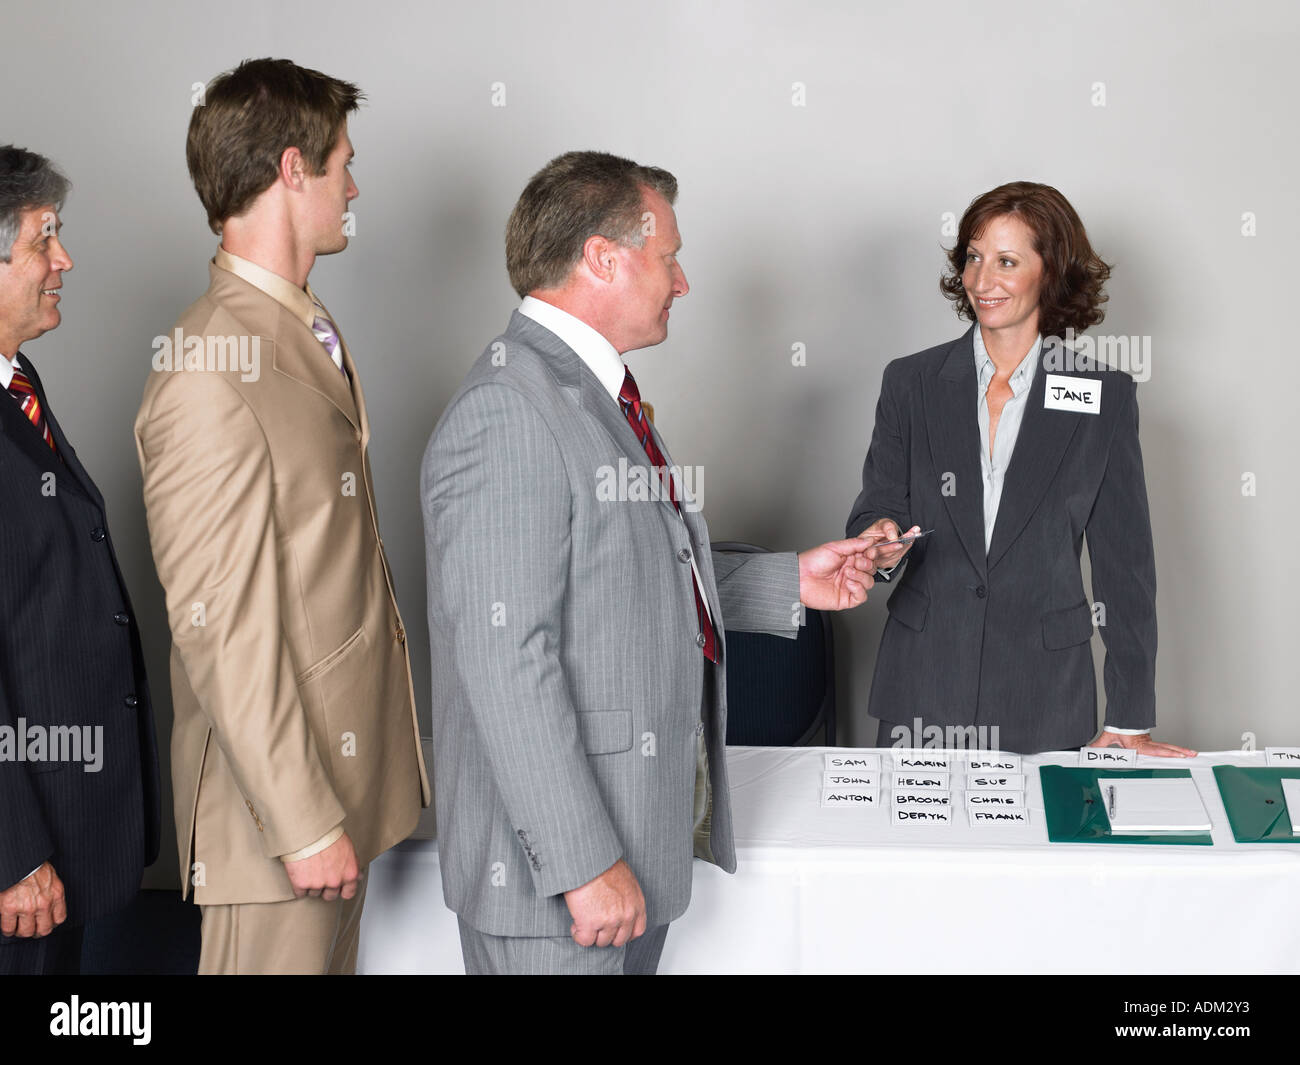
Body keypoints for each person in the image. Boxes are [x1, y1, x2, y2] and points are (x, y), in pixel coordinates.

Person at [421, 150, 877, 975]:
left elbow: (627, 572)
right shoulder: (508, 410)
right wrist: (584, 864)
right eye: (668, 256)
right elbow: (502, 658)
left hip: (627, 846)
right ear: (604, 257)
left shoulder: (594, 393)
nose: (684, 280)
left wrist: (791, 579)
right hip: (559, 885)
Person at [134, 58, 428, 975]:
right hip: (274, 827)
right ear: (292, 169)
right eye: (343, 161)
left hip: (338, 791)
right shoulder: (205, 369)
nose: (355, 184)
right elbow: (223, 633)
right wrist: (303, 823)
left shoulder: (297, 324)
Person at [846, 180, 1194, 757]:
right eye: (974, 258)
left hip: (1045, 693)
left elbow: (1124, 565)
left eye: (1007, 261)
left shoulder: (1102, 396)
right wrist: (878, 537)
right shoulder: (910, 383)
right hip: (921, 685)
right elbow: (879, 503)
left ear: (1050, 271)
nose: (983, 281)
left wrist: (1131, 718)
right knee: (911, 849)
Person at [0, 146, 160, 975]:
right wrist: (14, 851)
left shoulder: (18, 382)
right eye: (42, 239)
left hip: (65, 836)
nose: (64, 259)